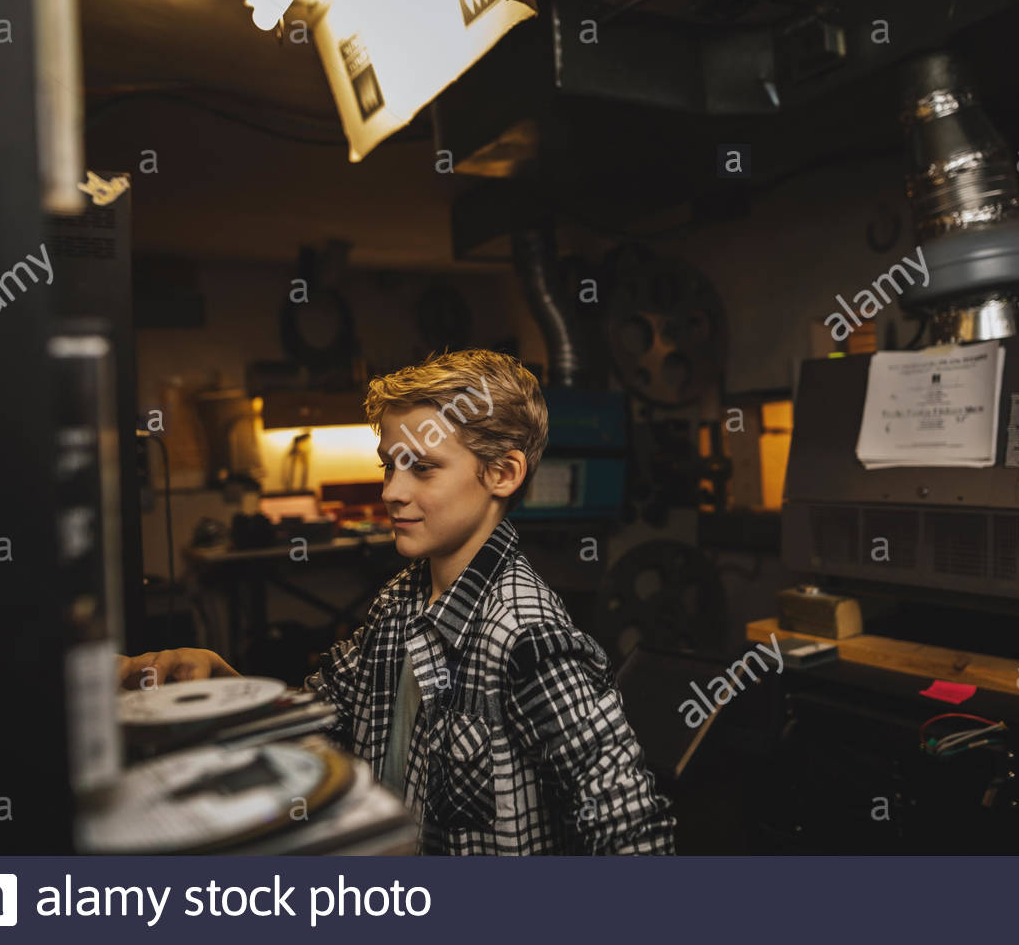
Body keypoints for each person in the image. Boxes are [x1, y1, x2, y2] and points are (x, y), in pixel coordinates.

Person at [118, 349, 676, 854]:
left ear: (502, 474)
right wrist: (221, 689)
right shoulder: (399, 602)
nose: (391, 491)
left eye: (423, 467)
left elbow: (632, 832)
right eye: (390, 463)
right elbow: (321, 724)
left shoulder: (525, 636)